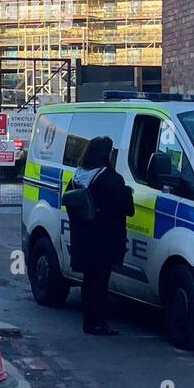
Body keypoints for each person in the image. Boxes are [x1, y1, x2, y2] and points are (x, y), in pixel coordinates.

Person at [63, 135, 135, 335]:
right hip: (105, 238)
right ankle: (99, 324)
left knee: (88, 282)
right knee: (100, 283)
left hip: (83, 236)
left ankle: (89, 323)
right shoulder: (109, 178)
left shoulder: (77, 176)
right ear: (106, 154)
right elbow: (127, 208)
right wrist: (127, 192)